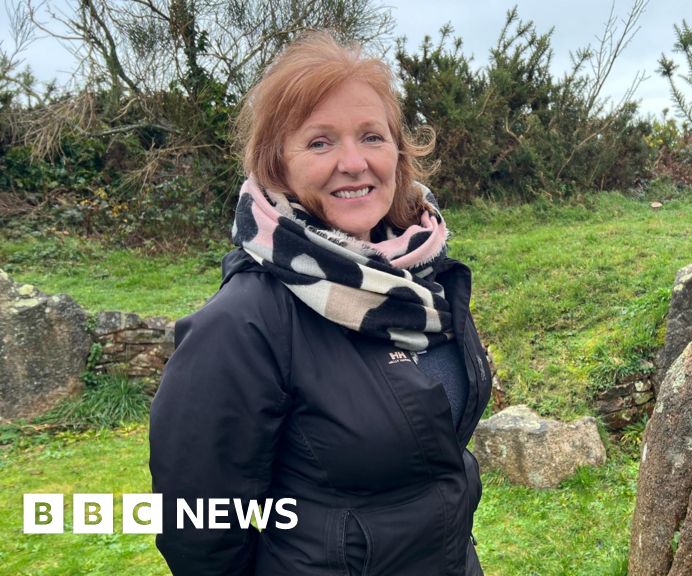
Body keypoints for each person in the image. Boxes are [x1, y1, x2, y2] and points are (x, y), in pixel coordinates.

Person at [149, 31, 491, 576]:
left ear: (399, 154)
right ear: (276, 166)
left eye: (372, 137)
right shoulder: (243, 324)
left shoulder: (424, 278)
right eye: (319, 142)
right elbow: (199, 531)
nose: (354, 162)